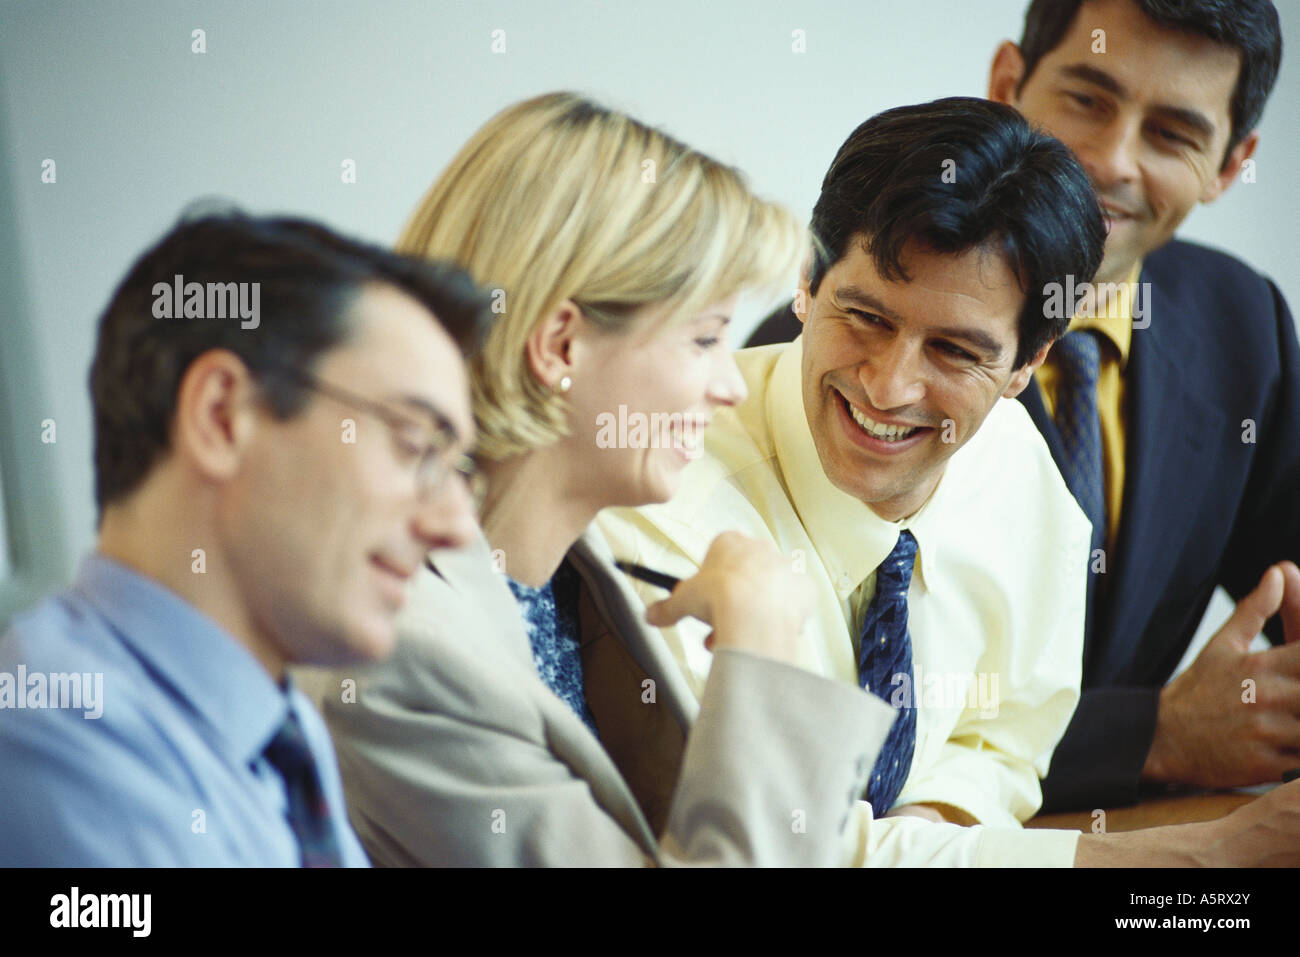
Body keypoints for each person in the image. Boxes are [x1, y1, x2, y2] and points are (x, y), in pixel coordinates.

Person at [601, 96, 1300, 866]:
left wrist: (938, 815)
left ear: (1026, 366)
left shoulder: (1025, 479)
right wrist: (1204, 860)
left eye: (955, 352)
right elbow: (780, 842)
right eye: (865, 315)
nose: (889, 386)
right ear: (806, 280)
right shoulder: (661, 485)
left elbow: (1003, 740)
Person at [747, 0, 1300, 812]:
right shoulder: (829, 361)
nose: (1111, 160)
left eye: (1173, 134)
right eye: (1088, 99)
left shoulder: (1241, 323)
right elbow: (834, 723)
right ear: (1010, 80)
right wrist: (1153, 732)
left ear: (1230, 162)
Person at [319, 92, 897, 867]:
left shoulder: (573, 573)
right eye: (703, 338)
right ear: (560, 344)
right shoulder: (404, 655)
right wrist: (762, 646)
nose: (731, 384)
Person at [0, 210, 491, 866]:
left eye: (457, 471)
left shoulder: (279, 733)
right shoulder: (50, 737)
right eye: (413, 446)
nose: (455, 526)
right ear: (223, 416)